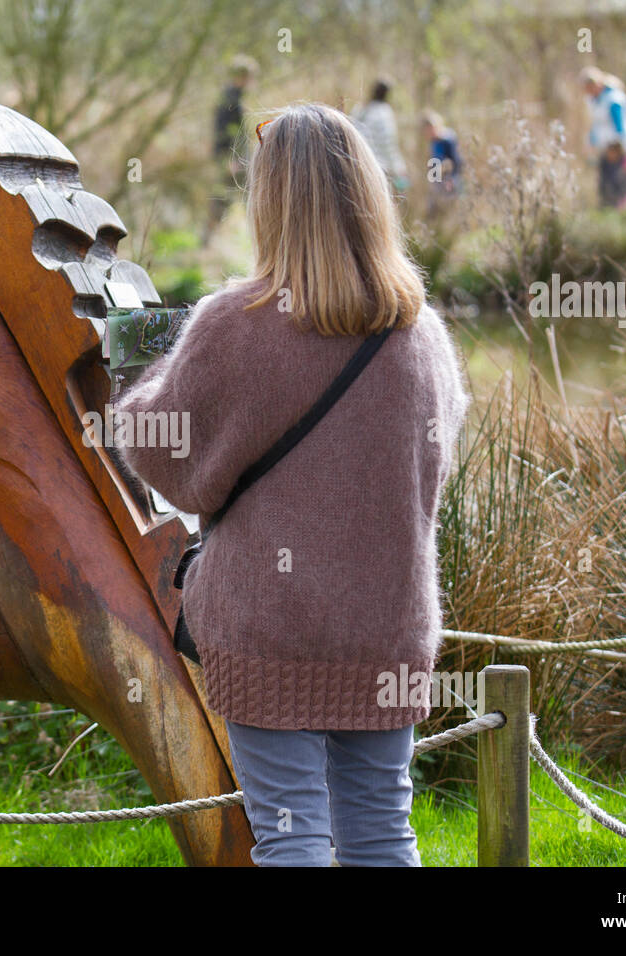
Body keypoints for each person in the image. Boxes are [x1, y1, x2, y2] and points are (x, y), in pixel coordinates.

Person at [114, 103, 471, 867]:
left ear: (270, 200)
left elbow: (165, 459)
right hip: (387, 622)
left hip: (267, 625)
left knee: (290, 834)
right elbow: (429, 475)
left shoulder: (232, 324)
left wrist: (134, 382)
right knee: (382, 829)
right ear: (369, 196)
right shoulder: (423, 337)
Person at [202, 55, 259, 245]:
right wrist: (229, 159)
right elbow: (222, 130)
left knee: (244, 197)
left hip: (238, 158)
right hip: (231, 159)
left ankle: (211, 243)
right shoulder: (229, 98)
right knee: (225, 198)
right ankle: (207, 243)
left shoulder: (237, 97)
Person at [579, 67, 626, 205]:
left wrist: (620, 147)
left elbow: (619, 127)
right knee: (605, 182)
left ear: (597, 84)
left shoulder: (614, 99)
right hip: (606, 148)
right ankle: (608, 209)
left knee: (621, 181)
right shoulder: (594, 101)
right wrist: (591, 142)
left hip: (618, 148)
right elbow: (596, 124)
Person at [352, 79, 409, 195]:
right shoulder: (384, 112)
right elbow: (388, 143)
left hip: (361, 164)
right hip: (382, 168)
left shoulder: (360, 109)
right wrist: (398, 167)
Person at [420, 110, 462, 214]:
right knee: (433, 209)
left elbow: (456, 161)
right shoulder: (434, 141)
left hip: (448, 180)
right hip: (436, 180)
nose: (428, 133)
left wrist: (451, 178)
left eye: (429, 129)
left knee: (448, 208)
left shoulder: (448, 139)